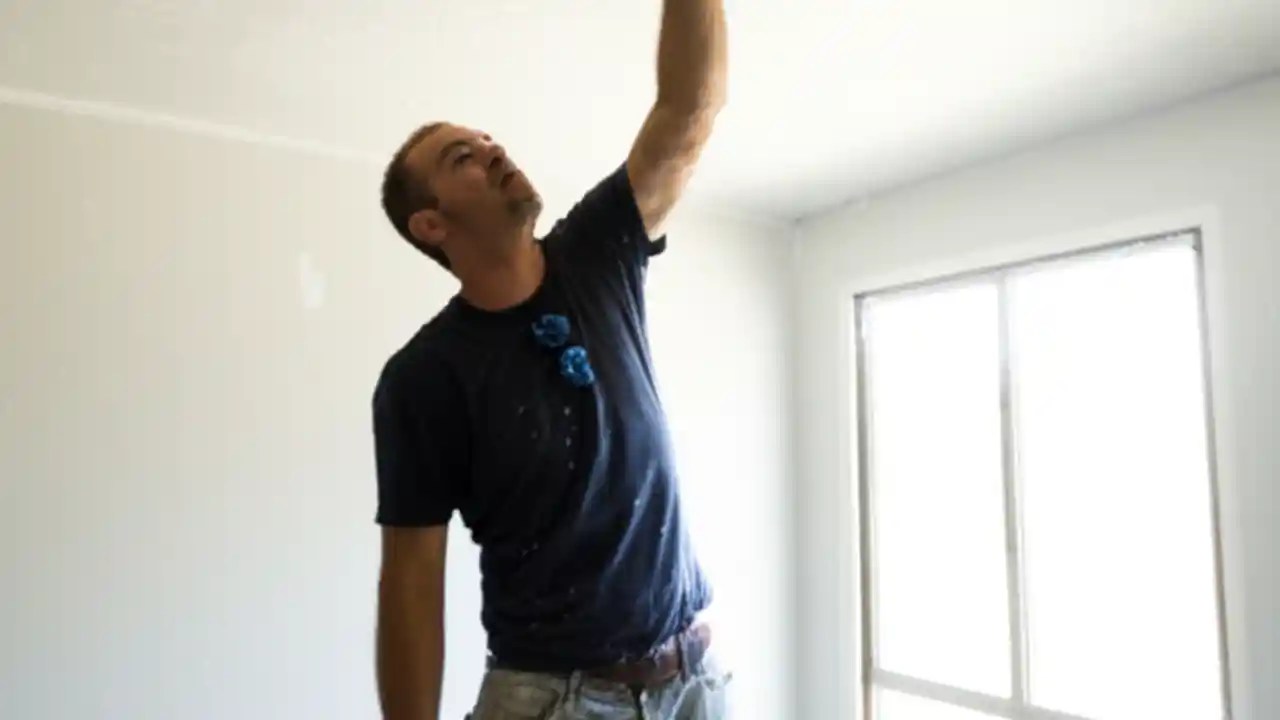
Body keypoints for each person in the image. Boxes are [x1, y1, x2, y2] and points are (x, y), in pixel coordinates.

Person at [371, 1, 728, 718]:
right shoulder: (424, 377)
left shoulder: (598, 252)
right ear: (432, 223)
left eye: (487, 139)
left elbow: (690, 109)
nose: (494, 151)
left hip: (694, 680)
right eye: (462, 158)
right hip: (554, 700)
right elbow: (412, 578)